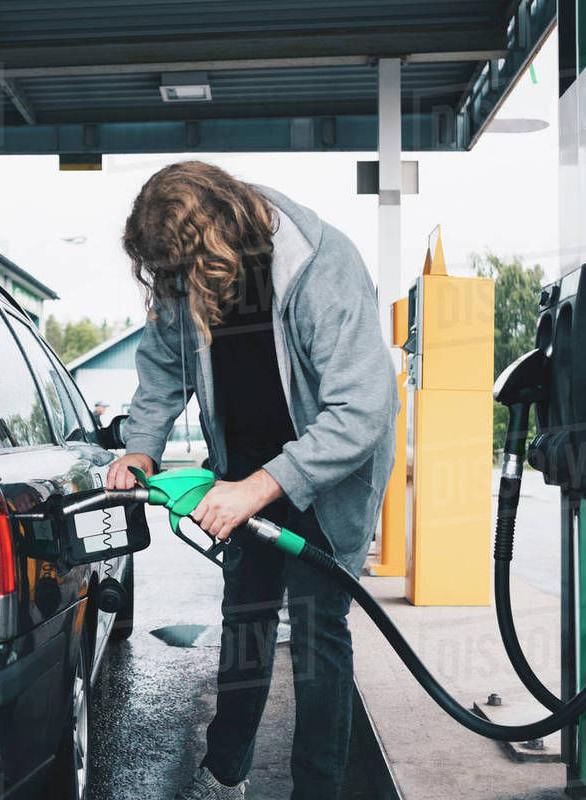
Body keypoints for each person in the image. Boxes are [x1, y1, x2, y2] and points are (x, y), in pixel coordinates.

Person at [107, 161, 399, 800]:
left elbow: (363, 409)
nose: (175, 288)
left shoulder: (321, 267)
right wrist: (141, 452)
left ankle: (317, 790)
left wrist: (263, 485)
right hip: (240, 467)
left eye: (182, 274)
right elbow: (162, 366)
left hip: (328, 471)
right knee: (246, 617)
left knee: (321, 628)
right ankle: (223, 773)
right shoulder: (186, 271)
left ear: (213, 241)